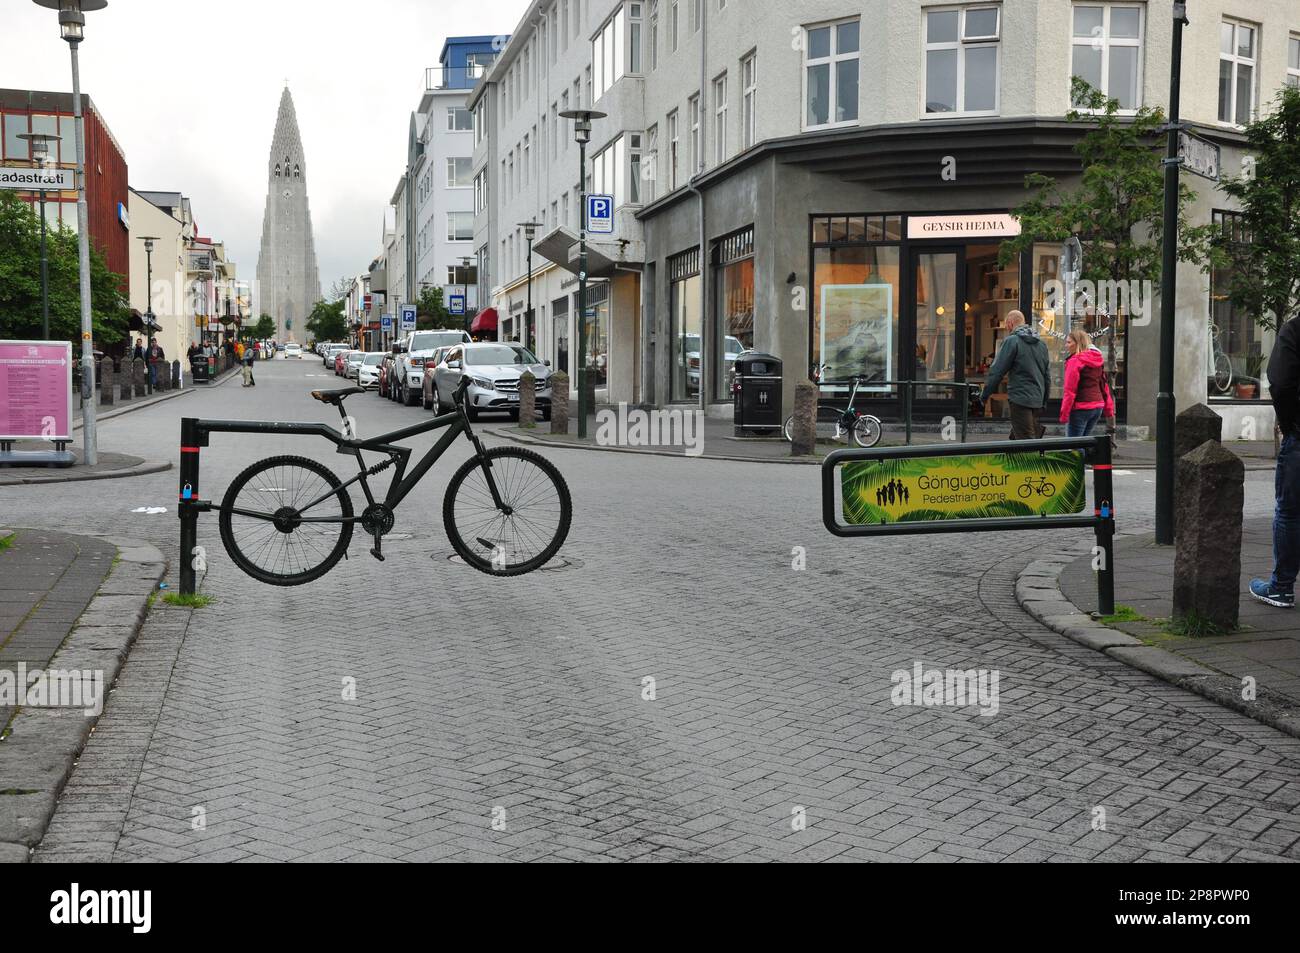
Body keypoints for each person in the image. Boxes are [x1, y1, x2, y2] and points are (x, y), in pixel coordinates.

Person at [1249, 310, 1300, 609]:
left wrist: (1290, 423)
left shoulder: (1294, 329)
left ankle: (1281, 587)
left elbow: (1280, 383)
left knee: (1290, 512)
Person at [977, 310, 1050, 439]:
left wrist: (985, 395)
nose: (1006, 328)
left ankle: (1031, 459)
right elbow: (1046, 376)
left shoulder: (1012, 341)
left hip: (1020, 397)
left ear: (1010, 323)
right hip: (1037, 398)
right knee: (1020, 435)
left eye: (1006, 325)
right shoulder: (1041, 344)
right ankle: (1012, 456)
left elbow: (997, 371)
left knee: (1026, 439)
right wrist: (1044, 400)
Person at [1059, 329, 1115, 437]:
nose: (1066, 345)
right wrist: (1109, 409)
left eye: (1069, 342)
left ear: (1078, 343)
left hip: (1081, 407)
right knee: (1083, 442)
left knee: (1074, 446)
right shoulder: (1097, 359)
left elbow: (1070, 390)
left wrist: (1064, 414)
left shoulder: (1075, 361)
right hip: (1097, 407)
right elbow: (1103, 386)